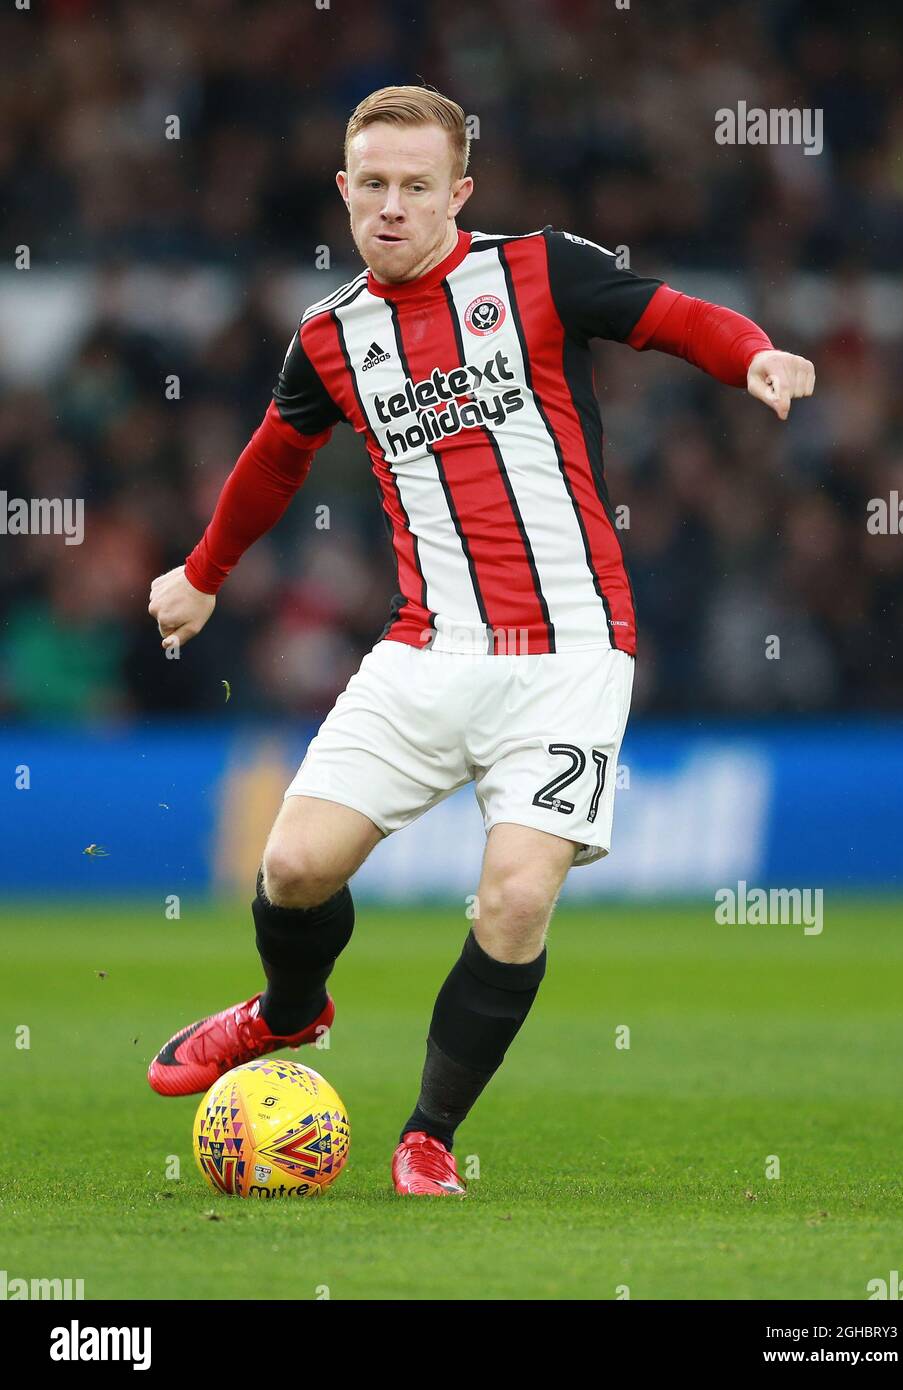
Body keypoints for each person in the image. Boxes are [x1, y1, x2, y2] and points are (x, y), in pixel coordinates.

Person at [147, 84, 815, 1196]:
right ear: (345, 190)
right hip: (427, 646)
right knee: (294, 864)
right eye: (374, 185)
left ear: (460, 192)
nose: (393, 207)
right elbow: (275, 459)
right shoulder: (329, 335)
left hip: (571, 651)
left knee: (513, 895)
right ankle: (288, 1011)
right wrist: (202, 575)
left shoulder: (539, 270)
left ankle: (429, 1136)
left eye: (418, 186)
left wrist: (752, 356)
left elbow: (668, 312)